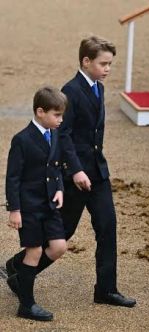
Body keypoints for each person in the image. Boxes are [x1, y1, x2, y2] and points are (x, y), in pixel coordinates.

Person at [5, 36, 136, 308]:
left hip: (97, 173)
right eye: (103, 64)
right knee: (62, 234)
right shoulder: (71, 91)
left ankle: (106, 289)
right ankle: (19, 269)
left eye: (110, 64)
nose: (108, 69)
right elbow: (62, 134)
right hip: (73, 178)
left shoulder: (98, 88)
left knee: (108, 227)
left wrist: (91, 168)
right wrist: (75, 170)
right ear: (86, 61)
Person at [5, 86, 68, 321]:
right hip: (28, 206)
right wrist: (14, 209)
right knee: (34, 251)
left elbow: (56, 167)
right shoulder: (22, 139)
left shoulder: (54, 134)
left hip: (50, 205)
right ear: (40, 112)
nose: (61, 120)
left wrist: (60, 189)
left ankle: (19, 277)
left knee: (59, 247)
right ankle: (27, 305)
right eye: (57, 115)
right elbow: (13, 177)